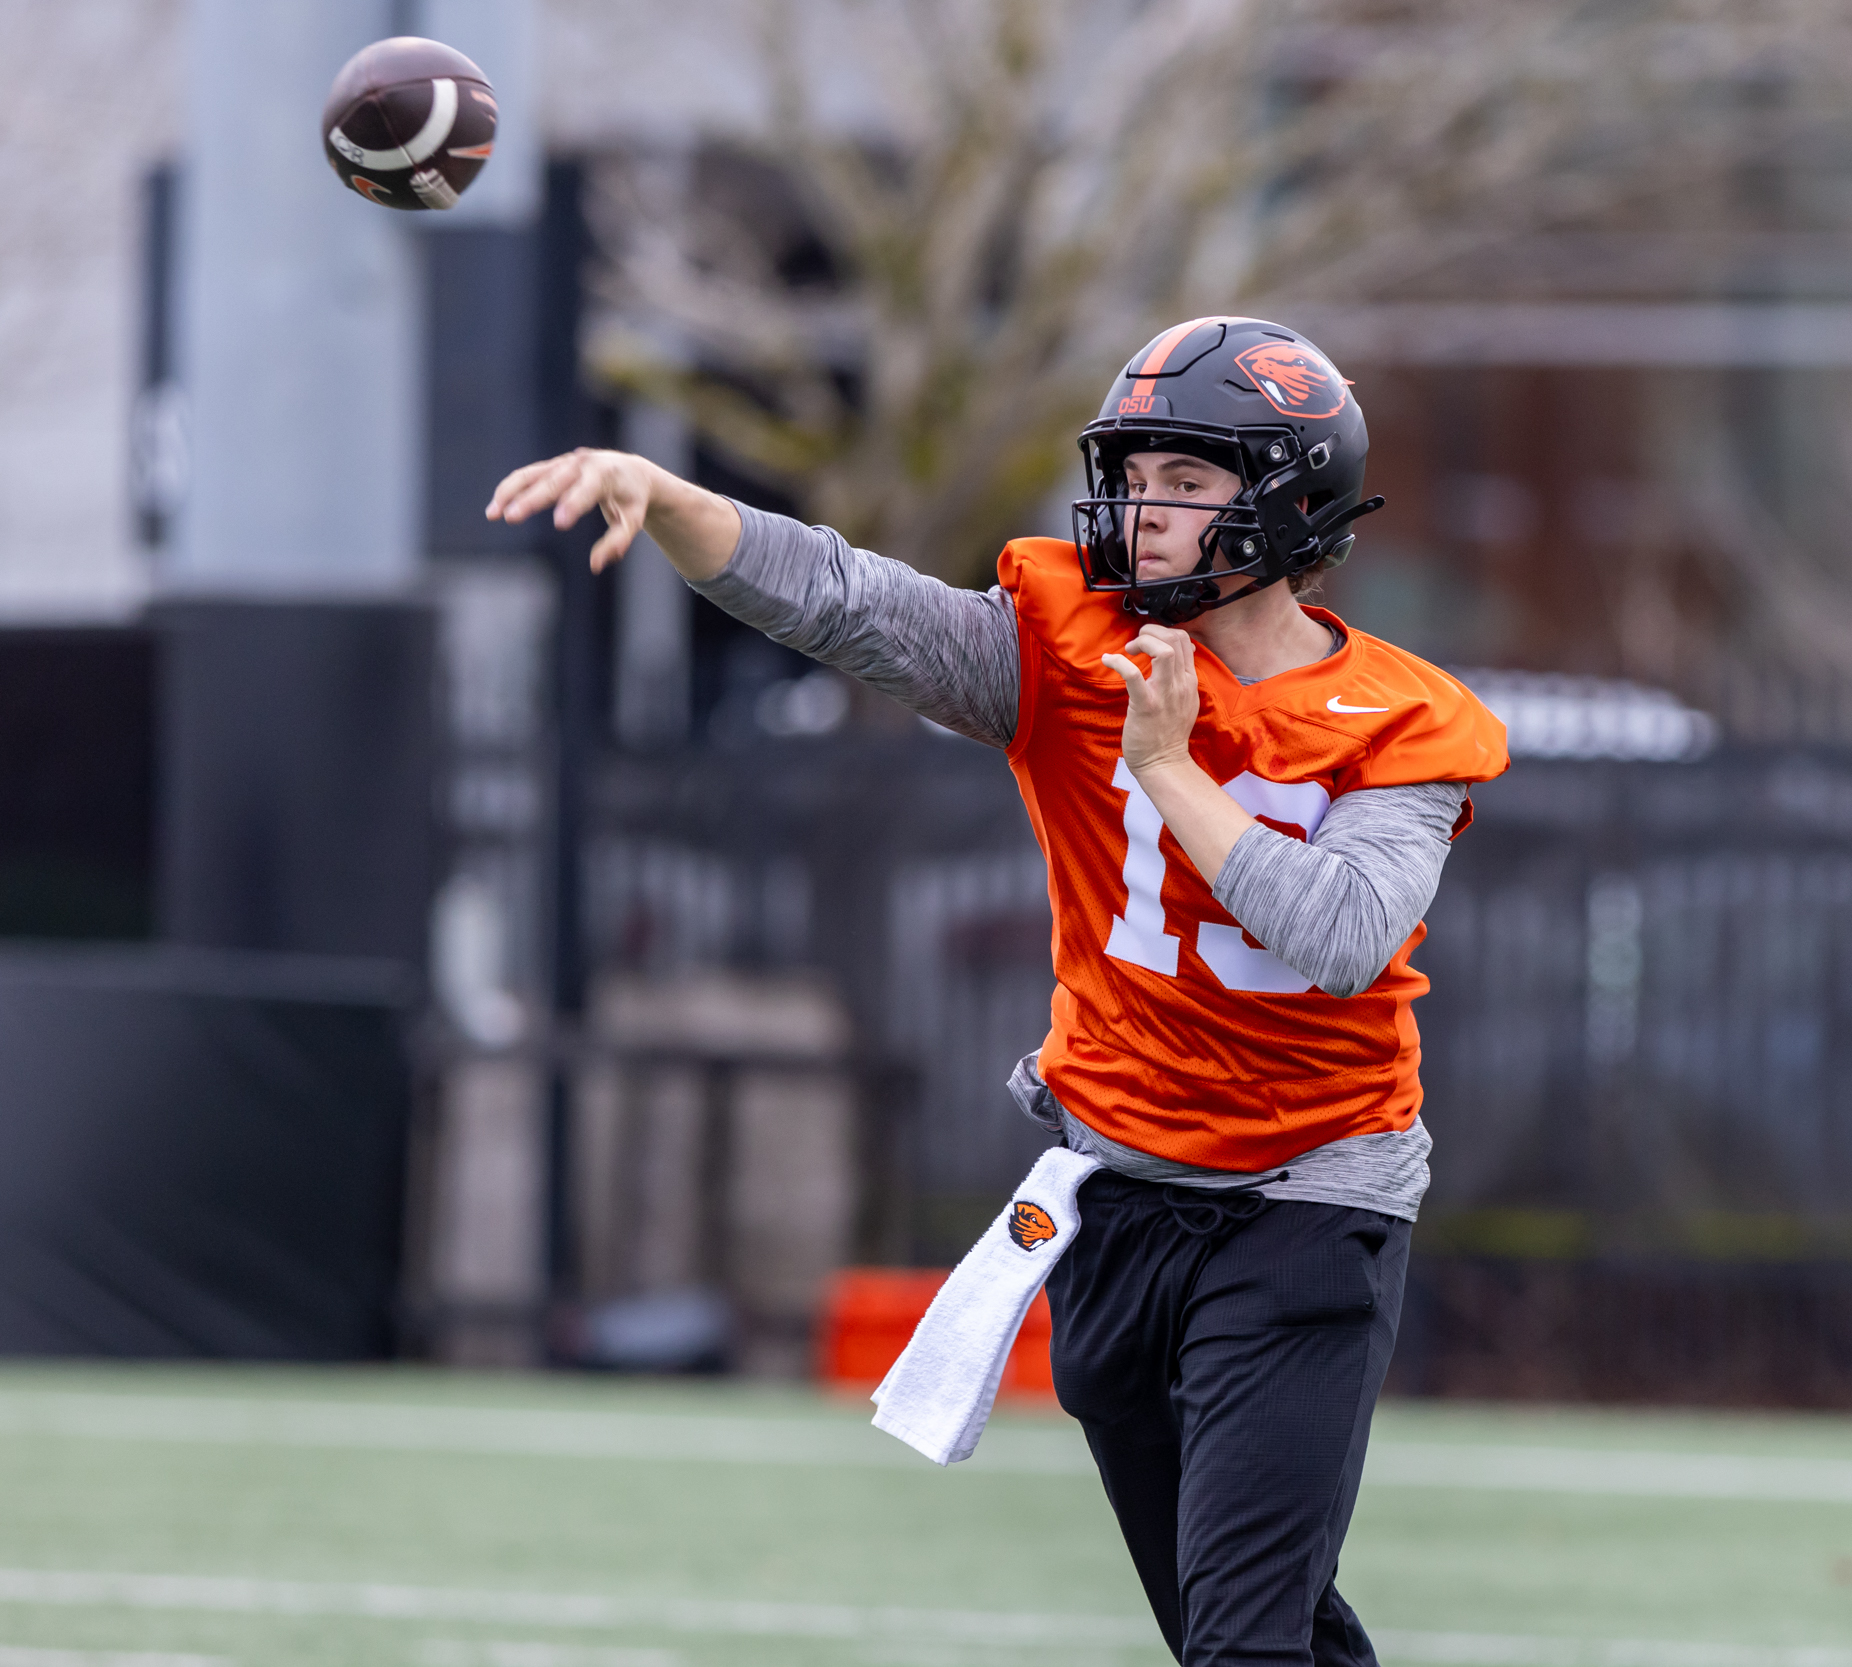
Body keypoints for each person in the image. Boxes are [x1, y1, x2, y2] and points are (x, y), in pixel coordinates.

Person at [487, 316, 1509, 1667]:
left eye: (1188, 482)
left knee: (1242, 1644)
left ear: (1288, 502)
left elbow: (1343, 934)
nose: (1142, 510)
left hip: (1305, 1199)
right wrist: (674, 501)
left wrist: (1170, 768)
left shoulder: (1399, 720)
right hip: (1123, 1193)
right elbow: (847, 601)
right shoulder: (1066, 646)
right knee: (1251, 1626)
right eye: (1136, 473)